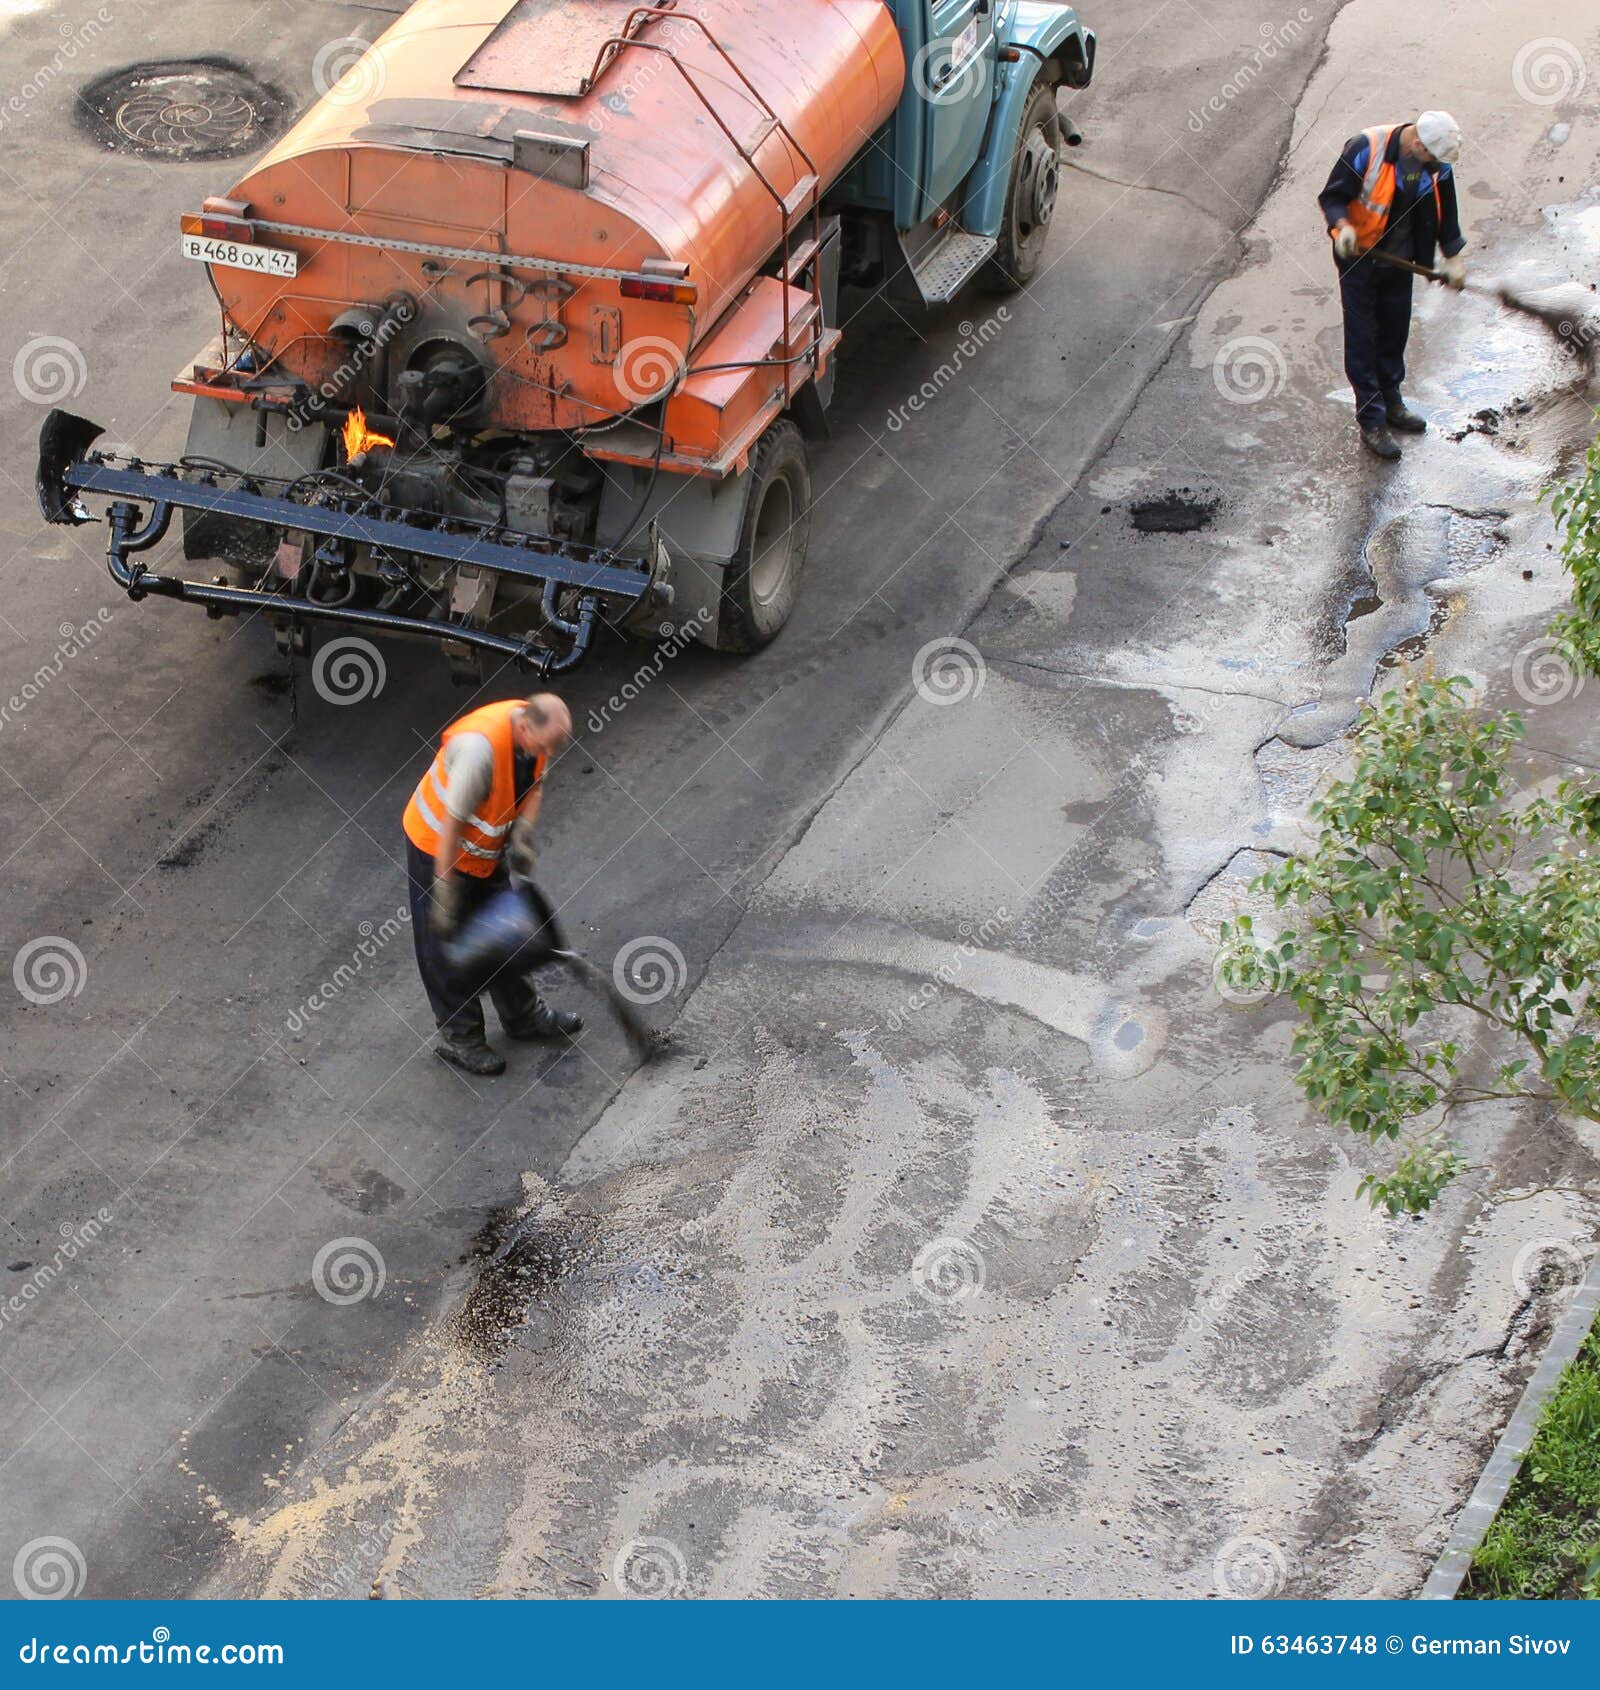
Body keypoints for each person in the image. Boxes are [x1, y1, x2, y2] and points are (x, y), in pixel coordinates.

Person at [402, 693, 583, 1075]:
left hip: (483, 850)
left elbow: (534, 786)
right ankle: (460, 1037)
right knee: (443, 941)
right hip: (436, 845)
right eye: (548, 744)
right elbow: (451, 825)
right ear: (524, 728)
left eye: (556, 745)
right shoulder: (478, 752)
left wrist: (522, 834)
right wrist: (446, 887)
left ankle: (523, 1017)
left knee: (504, 931)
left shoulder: (537, 736)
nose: (551, 751)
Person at [1319, 111, 1467, 460]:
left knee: (1395, 330)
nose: (1437, 166)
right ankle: (1371, 418)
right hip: (1359, 257)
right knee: (1363, 336)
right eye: (1431, 158)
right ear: (1417, 144)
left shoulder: (1434, 162)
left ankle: (1392, 402)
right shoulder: (1365, 148)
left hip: (1401, 260)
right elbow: (1332, 197)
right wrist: (1343, 228)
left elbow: (1447, 208)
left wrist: (1453, 256)